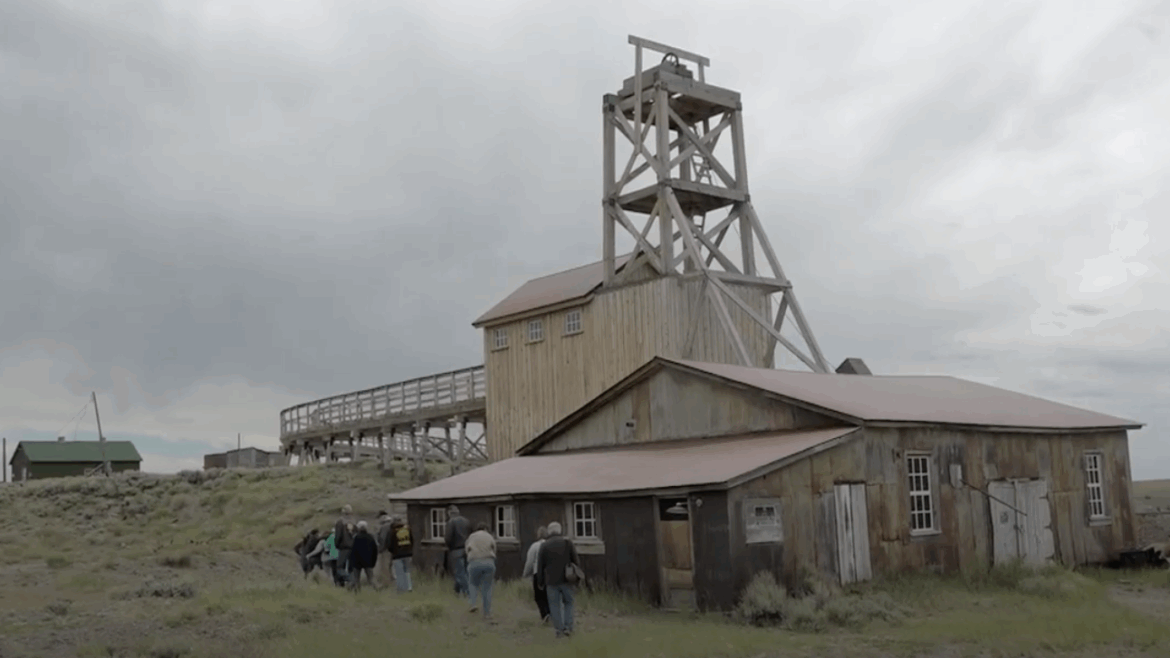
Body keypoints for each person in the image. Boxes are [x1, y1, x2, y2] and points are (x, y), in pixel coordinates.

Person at [536, 521, 581, 638]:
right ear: (560, 530)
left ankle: (559, 630)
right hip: (567, 579)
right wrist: (577, 577)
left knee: (554, 605)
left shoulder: (544, 545)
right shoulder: (567, 543)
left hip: (551, 581)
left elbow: (540, 565)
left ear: (549, 532)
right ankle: (568, 627)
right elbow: (576, 561)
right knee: (569, 603)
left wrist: (540, 582)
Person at [464, 522, 497, 620]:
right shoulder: (489, 536)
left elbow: (467, 549)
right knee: (487, 588)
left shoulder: (471, 537)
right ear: (486, 529)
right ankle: (487, 614)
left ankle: (473, 603)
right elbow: (494, 548)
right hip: (488, 562)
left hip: (474, 562)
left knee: (473, 583)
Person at [522, 525, 551, 622]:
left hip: (537, 573)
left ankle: (545, 614)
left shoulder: (534, 546)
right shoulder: (549, 544)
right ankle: (551, 613)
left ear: (538, 535)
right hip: (550, 573)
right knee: (549, 594)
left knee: (538, 596)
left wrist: (525, 574)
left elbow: (530, 562)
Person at [443, 504, 471, 596]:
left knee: (459, 573)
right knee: (465, 571)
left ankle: (468, 593)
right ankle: (457, 592)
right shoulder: (466, 521)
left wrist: (449, 546)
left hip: (455, 549)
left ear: (449, 513)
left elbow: (448, 538)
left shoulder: (451, 522)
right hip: (467, 549)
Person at [349, 521, 380, 592]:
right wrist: (373, 561)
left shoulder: (356, 538)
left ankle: (357, 592)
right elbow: (375, 550)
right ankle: (377, 588)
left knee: (356, 578)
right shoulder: (370, 537)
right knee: (371, 577)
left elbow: (353, 550)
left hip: (357, 561)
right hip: (368, 560)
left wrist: (351, 561)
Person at [387, 516, 414, 593]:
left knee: (399, 572)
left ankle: (401, 589)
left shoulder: (392, 531)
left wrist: (392, 551)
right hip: (408, 553)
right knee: (407, 571)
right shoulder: (408, 529)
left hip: (397, 555)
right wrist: (410, 549)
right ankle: (409, 587)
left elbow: (390, 544)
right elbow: (412, 540)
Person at [334, 505, 355, 586]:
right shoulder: (354, 522)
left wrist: (336, 544)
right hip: (353, 547)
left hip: (343, 547)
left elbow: (338, 535)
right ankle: (353, 584)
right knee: (351, 568)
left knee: (339, 567)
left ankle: (350, 579)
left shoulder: (340, 522)